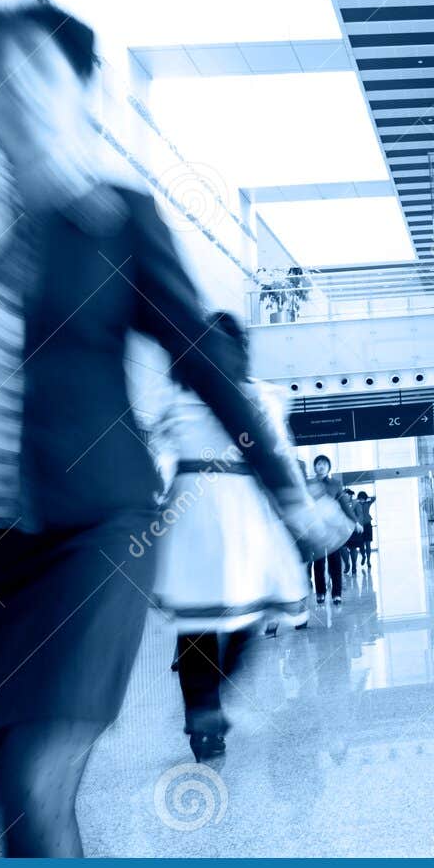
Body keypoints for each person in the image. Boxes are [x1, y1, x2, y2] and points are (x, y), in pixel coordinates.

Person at [0, 2, 330, 857]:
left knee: (37, 774)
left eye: (40, 70)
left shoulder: (118, 220)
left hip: (96, 527)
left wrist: (290, 495)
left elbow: (206, 366)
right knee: (12, 793)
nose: (21, 92)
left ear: (82, 93)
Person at [150, 313, 310, 762]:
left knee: (247, 617)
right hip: (199, 515)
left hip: (239, 513)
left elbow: (278, 455)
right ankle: (205, 719)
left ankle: (208, 705)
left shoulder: (259, 397)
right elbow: (159, 457)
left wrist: (299, 507)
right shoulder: (178, 399)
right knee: (199, 625)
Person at [308, 456, 356, 606]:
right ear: (315, 467)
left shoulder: (335, 484)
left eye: (324, 464)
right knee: (319, 562)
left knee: (335, 562)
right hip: (315, 529)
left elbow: (344, 504)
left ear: (329, 467)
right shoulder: (309, 484)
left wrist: (355, 521)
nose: (321, 466)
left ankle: (337, 594)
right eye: (318, 464)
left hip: (333, 529)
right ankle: (320, 592)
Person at [354, 491, 373, 570]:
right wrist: (358, 501)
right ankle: (363, 556)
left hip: (368, 525)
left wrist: (366, 500)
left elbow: (373, 498)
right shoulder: (356, 504)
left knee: (368, 544)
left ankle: (368, 560)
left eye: (362, 498)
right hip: (360, 526)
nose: (361, 499)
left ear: (364, 498)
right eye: (360, 498)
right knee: (361, 544)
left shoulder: (367, 503)